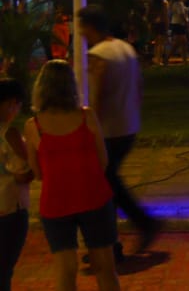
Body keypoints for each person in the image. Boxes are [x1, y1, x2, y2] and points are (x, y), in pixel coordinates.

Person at [23, 60, 120, 291]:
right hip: (93, 196)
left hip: (56, 202)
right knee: (105, 266)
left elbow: (37, 172)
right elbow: (103, 160)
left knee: (66, 270)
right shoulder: (87, 117)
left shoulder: (33, 126)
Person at [79, 6, 162, 258]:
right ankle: (110, 242)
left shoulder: (97, 55)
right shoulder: (126, 48)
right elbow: (139, 86)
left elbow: (97, 96)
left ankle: (140, 225)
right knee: (108, 183)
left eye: (80, 25)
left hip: (108, 130)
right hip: (128, 125)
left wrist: (91, 127)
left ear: (89, 27)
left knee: (106, 185)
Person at [0, 78, 33, 291]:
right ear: (11, 102)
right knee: (3, 270)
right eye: (19, 104)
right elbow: (22, 174)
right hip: (10, 208)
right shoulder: (9, 134)